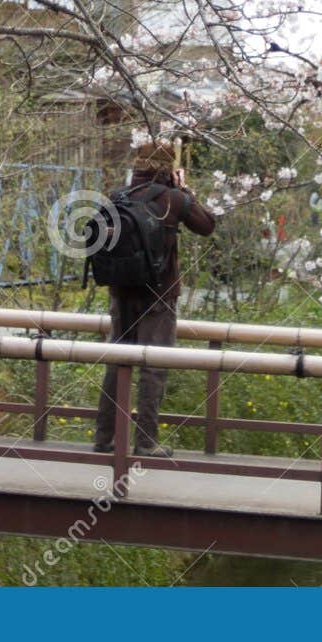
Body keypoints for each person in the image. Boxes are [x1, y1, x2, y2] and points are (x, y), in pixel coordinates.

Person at [92, 142, 217, 457]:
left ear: (136, 166)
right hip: (158, 297)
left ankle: (104, 438)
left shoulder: (118, 196)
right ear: (168, 169)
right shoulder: (173, 199)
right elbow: (207, 225)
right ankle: (145, 442)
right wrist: (186, 190)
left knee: (117, 362)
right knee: (154, 367)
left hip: (121, 295)